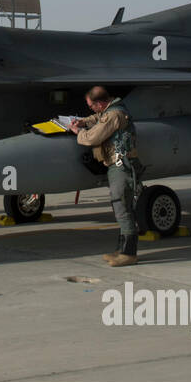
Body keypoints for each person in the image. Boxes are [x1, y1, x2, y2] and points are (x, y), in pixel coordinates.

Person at [70, 86, 140, 266]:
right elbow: (97, 118)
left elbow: (93, 138)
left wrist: (79, 132)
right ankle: (121, 250)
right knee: (119, 205)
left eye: (92, 106)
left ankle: (129, 254)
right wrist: (83, 121)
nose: (91, 109)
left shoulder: (114, 115)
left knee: (122, 205)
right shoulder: (110, 111)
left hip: (120, 165)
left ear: (100, 103)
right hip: (116, 164)